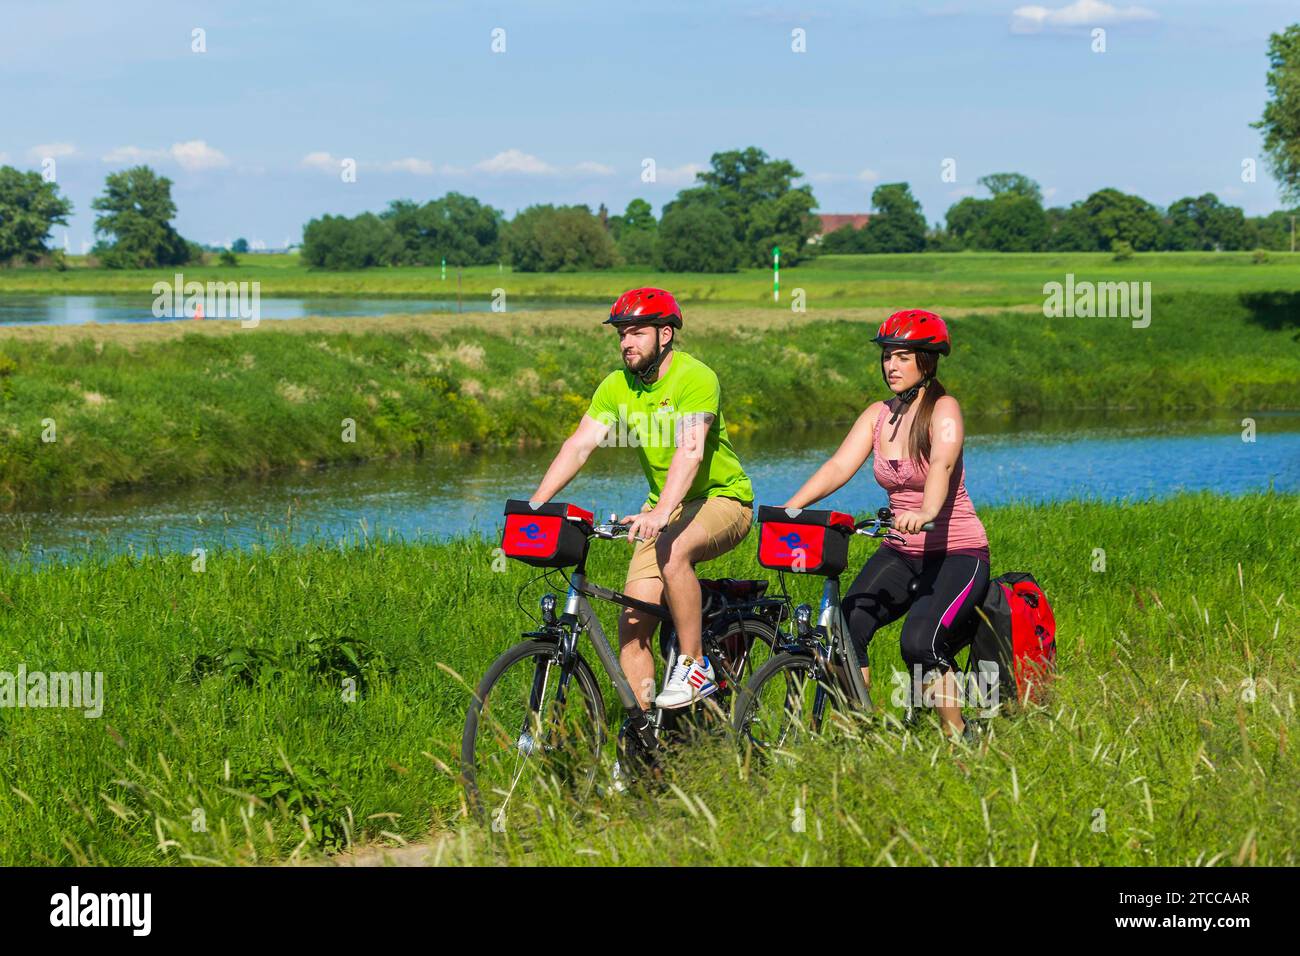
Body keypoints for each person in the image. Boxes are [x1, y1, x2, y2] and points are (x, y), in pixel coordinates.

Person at [528, 287, 754, 711]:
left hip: (723, 500)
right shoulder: (617, 386)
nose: (626, 343)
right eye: (620, 334)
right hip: (664, 508)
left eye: (635, 333)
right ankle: (644, 738)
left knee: (673, 548)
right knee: (632, 627)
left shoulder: (696, 377)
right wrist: (536, 505)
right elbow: (579, 445)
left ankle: (695, 665)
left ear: (665, 334)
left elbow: (690, 452)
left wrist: (663, 511)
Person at [781, 309, 990, 740]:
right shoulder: (879, 415)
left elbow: (942, 465)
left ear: (926, 362)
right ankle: (861, 727)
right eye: (886, 357)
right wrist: (792, 508)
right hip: (902, 548)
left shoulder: (944, 409)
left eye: (902, 357)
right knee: (847, 627)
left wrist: (927, 513)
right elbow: (839, 465)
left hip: (957, 553)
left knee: (919, 643)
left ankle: (960, 738)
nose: (890, 366)